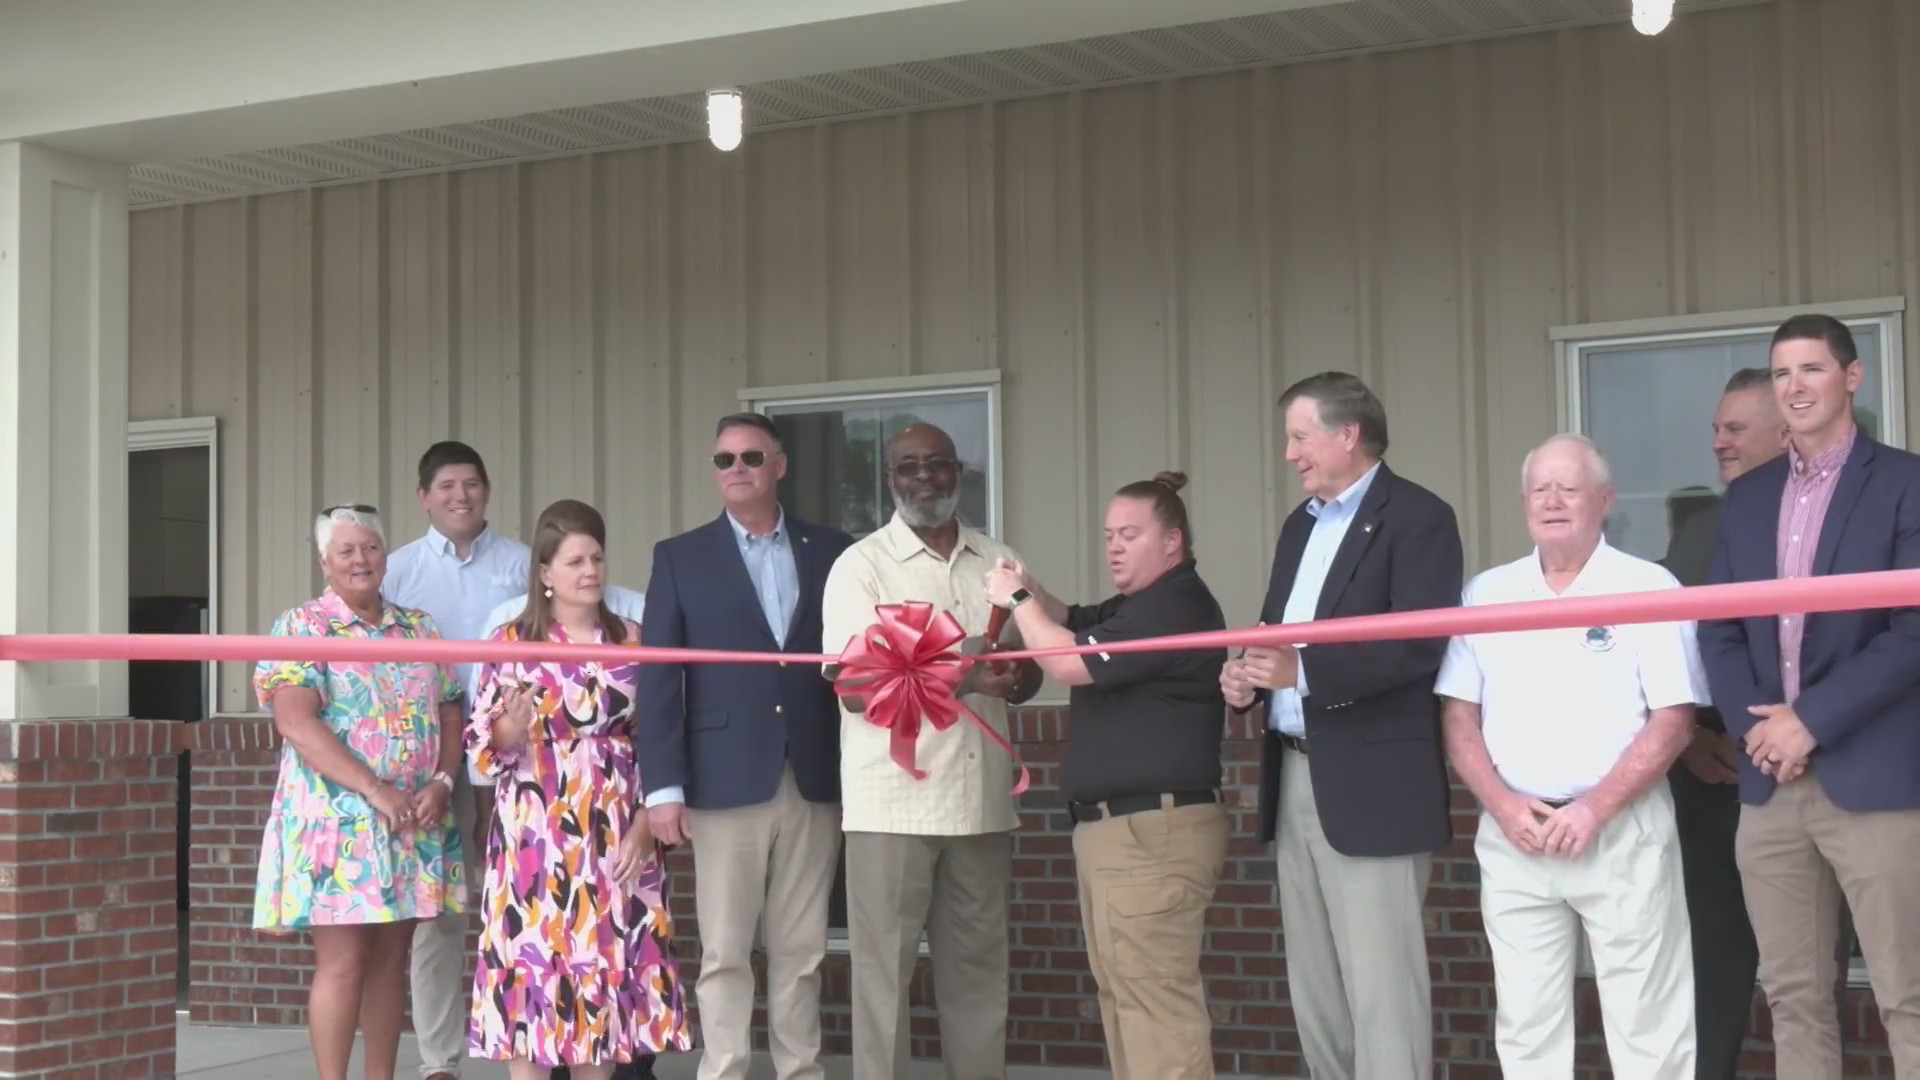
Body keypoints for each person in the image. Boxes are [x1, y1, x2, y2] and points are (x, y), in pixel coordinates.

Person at [1218, 371, 1459, 1080]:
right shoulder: (1301, 524)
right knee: (1315, 985)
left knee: (1382, 990)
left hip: (1373, 782)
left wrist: (1303, 671)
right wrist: (1245, 677)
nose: (1289, 454)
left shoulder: (1418, 517)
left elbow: (1420, 643)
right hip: (1294, 771)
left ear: (1347, 435)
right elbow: (1276, 631)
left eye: (1300, 437)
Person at [1438, 434, 1703, 1078]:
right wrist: (1502, 806)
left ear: (1605, 501)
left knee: (1648, 1028)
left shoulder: (1647, 585)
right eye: (1540, 489)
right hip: (1516, 837)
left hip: (1621, 833)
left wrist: (1594, 809)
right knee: (1527, 1029)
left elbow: (1674, 720)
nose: (1552, 501)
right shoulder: (1486, 592)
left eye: (1569, 488)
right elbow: (1459, 715)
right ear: (1523, 502)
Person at [1699, 313, 1920, 1074]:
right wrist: (1759, 733)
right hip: (1772, 782)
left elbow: (1913, 628)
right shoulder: (1749, 497)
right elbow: (1719, 628)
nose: (1794, 386)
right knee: (1793, 995)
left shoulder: (1906, 483)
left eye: (1812, 369)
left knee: (1906, 992)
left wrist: (1810, 721)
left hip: (1875, 780)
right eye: (1782, 373)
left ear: (1852, 377)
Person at [982, 471, 1228, 1080]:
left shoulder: (1175, 605)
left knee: (1155, 1005)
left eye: (1130, 535)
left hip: (1150, 835)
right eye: (1108, 535)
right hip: (1124, 834)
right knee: (1127, 998)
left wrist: (1018, 601)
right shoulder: (1138, 607)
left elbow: (1068, 661)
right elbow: (1071, 618)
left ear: (1172, 541)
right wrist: (1029, 587)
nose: (1114, 547)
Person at [820, 422, 1042, 1080]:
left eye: (938, 464)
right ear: (889, 480)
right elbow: (855, 689)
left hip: (982, 805)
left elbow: (1029, 666)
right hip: (893, 807)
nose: (925, 478)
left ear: (958, 472)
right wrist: (965, 673)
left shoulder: (1000, 559)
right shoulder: (861, 566)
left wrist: (1017, 676)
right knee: (882, 984)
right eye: (910, 467)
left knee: (979, 979)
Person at [637, 413, 853, 1080]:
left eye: (751, 457)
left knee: (802, 948)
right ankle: (725, 1069)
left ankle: (799, 1071)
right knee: (726, 950)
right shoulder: (680, 556)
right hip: (722, 777)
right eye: (724, 459)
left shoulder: (833, 550)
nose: (736, 468)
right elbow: (659, 676)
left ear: (778, 466)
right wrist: (662, 787)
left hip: (814, 773)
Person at [466, 499, 692, 1080]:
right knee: (532, 989)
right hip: (536, 840)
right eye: (574, 562)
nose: (590, 570)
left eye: (596, 558)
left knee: (602, 1000)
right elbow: (482, 750)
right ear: (545, 573)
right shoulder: (511, 643)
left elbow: (660, 737)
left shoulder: (634, 641)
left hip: (616, 834)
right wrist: (512, 725)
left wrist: (645, 825)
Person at [253, 504, 467, 1080]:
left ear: (385, 555)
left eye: (370, 547)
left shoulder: (419, 627)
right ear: (325, 562)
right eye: (345, 550)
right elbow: (295, 721)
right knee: (344, 962)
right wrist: (375, 789)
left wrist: (444, 780)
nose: (360, 560)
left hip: (413, 820)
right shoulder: (302, 626)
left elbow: (451, 708)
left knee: (391, 962)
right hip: (339, 825)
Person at [382, 440, 531, 1080]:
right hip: (435, 760)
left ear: (487, 490)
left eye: (471, 483)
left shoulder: (524, 564)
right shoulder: (396, 570)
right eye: (446, 486)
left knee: (526, 900)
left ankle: (536, 1045)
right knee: (440, 914)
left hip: (516, 755)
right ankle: (439, 1061)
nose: (460, 496)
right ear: (424, 497)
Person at [1660, 368, 1784, 1079]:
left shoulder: (1838, 523)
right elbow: (1663, 655)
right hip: (1712, 782)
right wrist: (1687, 742)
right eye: (1715, 428)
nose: (1718, 442)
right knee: (1712, 964)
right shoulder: (1700, 531)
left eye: (1735, 428)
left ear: (1785, 431)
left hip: (1817, 774)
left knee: (1810, 969)